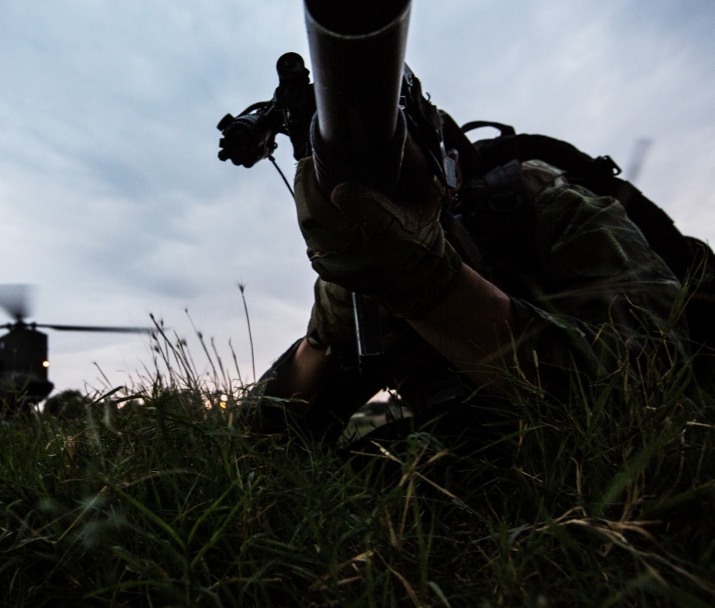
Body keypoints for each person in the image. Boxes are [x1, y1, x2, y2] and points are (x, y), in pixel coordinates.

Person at [244, 80, 696, 449]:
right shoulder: (364, 283)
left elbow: (653, 389)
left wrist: (428, 288)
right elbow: (259, 440)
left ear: (451, 167)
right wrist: (324, 339)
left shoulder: (550, 207)